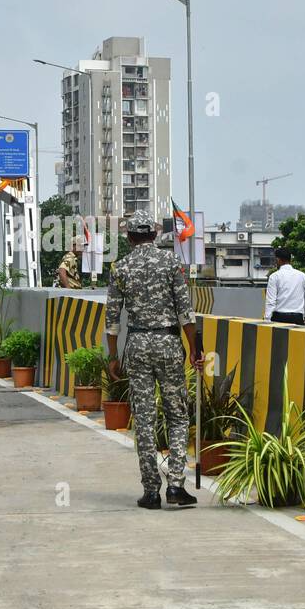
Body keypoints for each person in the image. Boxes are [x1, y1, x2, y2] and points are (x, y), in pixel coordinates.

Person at [105, 210, 201, 510]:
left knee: (144, 419)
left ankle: (150, 492)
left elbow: (112, 318)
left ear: (130, 236)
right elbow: (186, 312)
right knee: (177, 416)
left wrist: (112, 357)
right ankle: (175, 486)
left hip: (137, 345)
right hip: (169, 343)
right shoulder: (171, 262)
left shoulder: (120, 268)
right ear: (155, 234)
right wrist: (196, 349)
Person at [264, 246, 305, 326]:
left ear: (278, 260)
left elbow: (270, 302)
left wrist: (267, 320)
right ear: (290, 260)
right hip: (297, 318)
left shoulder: (274, 276)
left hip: (279, 318)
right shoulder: (302, 275)